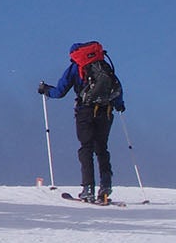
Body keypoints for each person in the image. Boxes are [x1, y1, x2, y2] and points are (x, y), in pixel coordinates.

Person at [39, 42, 125, 203]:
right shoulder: (103, 65)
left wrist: (45, 90)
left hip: (85, 112)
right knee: (102, 149)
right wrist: (119, 105)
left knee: (86, 148)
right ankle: (105, 186)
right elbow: (117, 88)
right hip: (105, 111)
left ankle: (88, 189)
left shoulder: (75, 67)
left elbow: (59, 92)